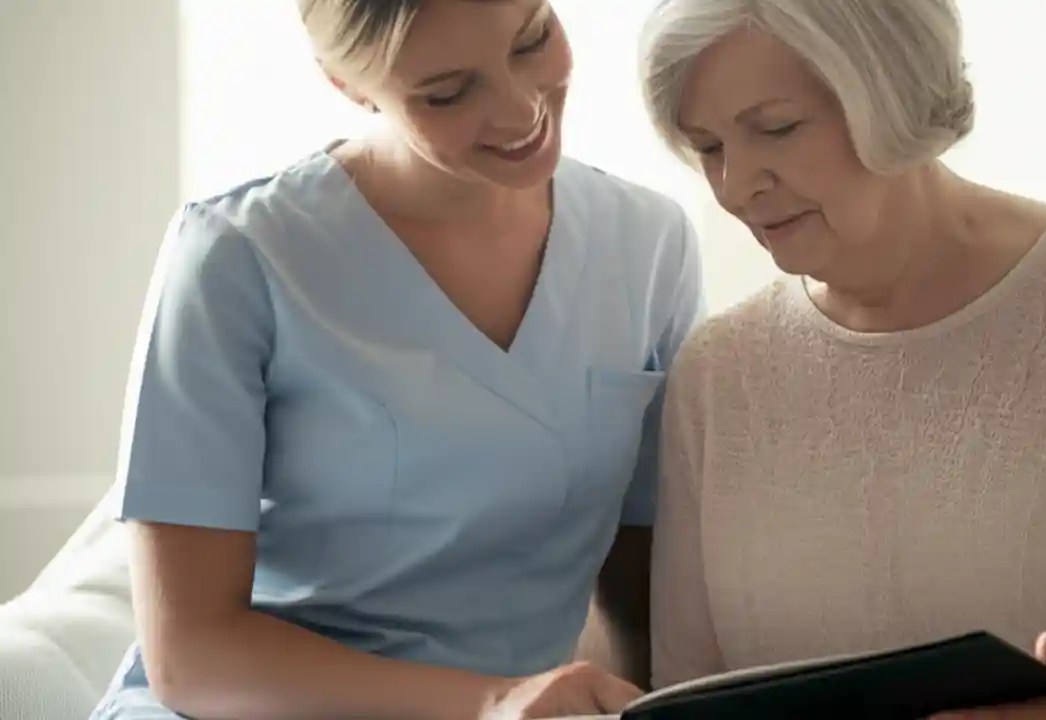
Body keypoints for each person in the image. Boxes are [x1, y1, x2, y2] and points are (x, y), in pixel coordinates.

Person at [639, 1, 1046, 718]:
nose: (735, 187)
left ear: (895, 94)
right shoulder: (719, 374)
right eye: (709, 147)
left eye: (778, 129)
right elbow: (685, 696)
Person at [91, 1, 702, 717]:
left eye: (532, 40)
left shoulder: (648, 243)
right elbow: (190, 656)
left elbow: (646, 586)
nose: (519, 109)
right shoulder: (239, 257)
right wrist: (491, 702)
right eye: (447, 92)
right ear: (347, 84)